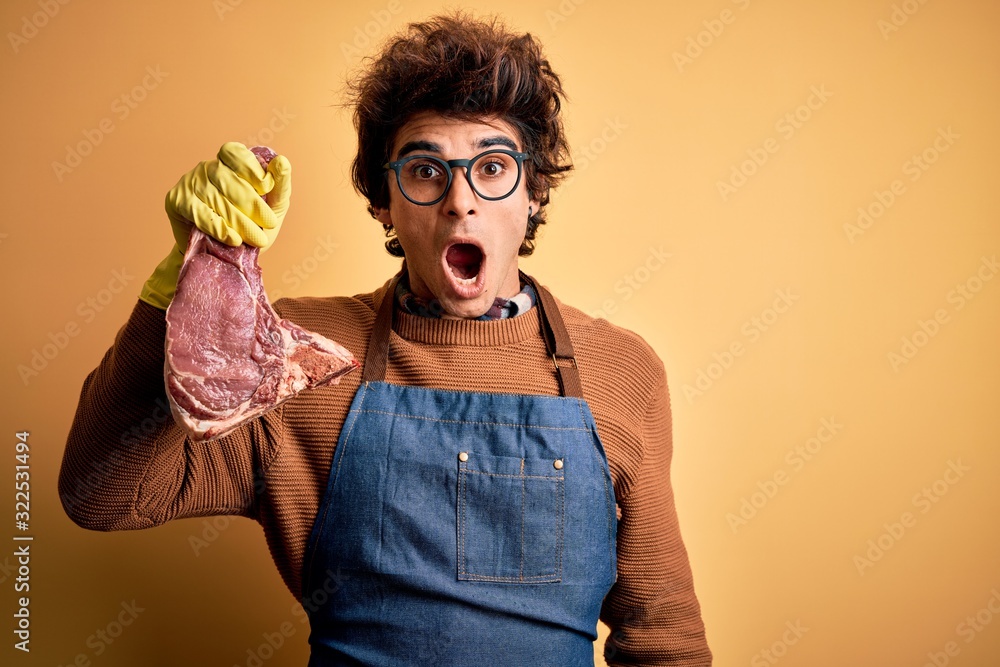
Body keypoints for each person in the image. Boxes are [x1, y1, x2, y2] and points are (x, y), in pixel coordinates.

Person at [60, 12, 712, 666]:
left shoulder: (622, 371)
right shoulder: (299, 355)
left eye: (492, 167)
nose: (461, 201)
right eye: (426, 171)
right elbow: (102, 495)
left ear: (534, 192)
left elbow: (664, 639)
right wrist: (182, 288)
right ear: (383, 201)